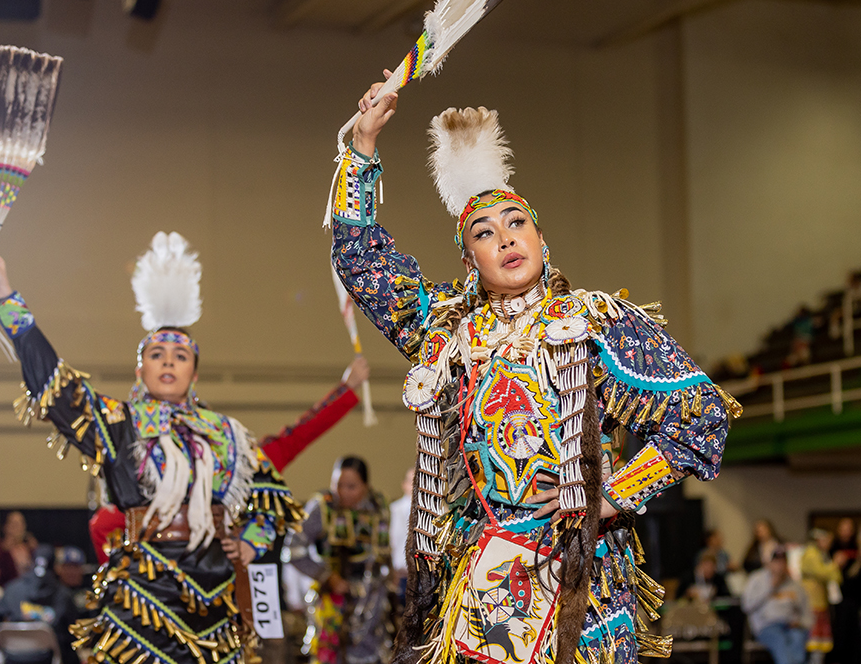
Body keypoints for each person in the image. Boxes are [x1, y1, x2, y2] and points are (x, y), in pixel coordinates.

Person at [329, 77, 739, 664]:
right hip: (484, 576)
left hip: (583, 579)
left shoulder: (594, 321)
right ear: (469, 258)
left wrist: (611, 496)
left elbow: (701, 414)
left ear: (541, 237)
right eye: (484, 233)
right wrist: (363, 147)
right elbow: (363, 260)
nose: (505, 239)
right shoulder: (448, 333)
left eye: (516, 223)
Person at [0, 235, 305, 664]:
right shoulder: (118, 423)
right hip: (140, 598)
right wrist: (5, 297)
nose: (168, 362)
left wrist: (249, 543)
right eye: (157, 353)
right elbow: (53, 387)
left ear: (194, 371)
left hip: (214, 598)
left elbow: (273, 498)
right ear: (141, 368)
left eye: (180, 355)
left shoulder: (227, 434)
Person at [87, 355, 370, 563]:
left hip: (223, 582)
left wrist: (251, 541)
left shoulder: (241, 460)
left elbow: (299, 434)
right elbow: (103, 526)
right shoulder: (146, 478)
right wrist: (120, 578)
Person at [286, 456, 393, 664]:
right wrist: (327, 576)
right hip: (331, 599)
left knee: (369, 651)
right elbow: (293, 550)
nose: (343, 492)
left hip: (371, 598)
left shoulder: (378, 505)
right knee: (329, 651)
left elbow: (384, 549)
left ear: (366, 486)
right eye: (338, 485)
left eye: (351, 486)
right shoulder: (322, 506)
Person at [0, 545, 78, 664]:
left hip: (13, 659)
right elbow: (75, 634)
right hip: (49, 659)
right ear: (55, 566)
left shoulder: (12, 589)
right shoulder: (63, 594)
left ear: (32, 562)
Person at [742, 548, 813, 664]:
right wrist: (770, 587)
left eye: (782, 561)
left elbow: (806, 611)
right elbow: (746, 606)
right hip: (766, 626)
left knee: (797, 638)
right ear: (770, 563)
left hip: (790, 625)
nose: (779, 565)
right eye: (776, 561)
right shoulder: (757, 579)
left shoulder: (794, 585)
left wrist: (801, 623)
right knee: (780, 640)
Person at [829, 517, 861, 664]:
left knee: (856, 632)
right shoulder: (832, 548)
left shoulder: (859, 547)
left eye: (849, 528)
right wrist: (835, 563)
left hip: (855, 597)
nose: (846, 531)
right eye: (843, 527)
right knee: (840, 631)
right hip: (838, 597)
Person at [800, 529, 841, 664]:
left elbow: (836, 577)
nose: (829, 544)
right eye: (827, 540)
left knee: (818, 644)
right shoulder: (811, 554)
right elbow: (823, 573)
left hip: (820, 604)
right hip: (812, 604)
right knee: (812, 643)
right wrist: (836, 564)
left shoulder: (822, 554)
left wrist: (832, 568)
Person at [389, 466, 415, 608]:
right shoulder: (393, 510)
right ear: (404, 484)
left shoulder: (437, 511)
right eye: (411, 481)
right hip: (399, 575)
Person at [0, 511, 36, 586]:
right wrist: (4, 551)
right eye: (14, 524)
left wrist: (35, 550)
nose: (17, 528)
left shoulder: (29, 548)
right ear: (5, 527)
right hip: (9, 588)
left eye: (20, 524)